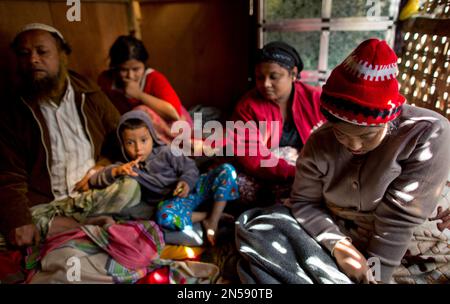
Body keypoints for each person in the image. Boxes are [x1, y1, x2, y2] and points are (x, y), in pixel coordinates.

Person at [236, 38, 450, 284]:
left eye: (368, 135)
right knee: (262, 225)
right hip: (337, 213)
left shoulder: (426, 133)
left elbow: (398, 220)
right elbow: (302, 199)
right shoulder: (318, 141)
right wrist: (338, 245)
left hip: (399, 231)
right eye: (341, 134)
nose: (353, 145)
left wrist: (376, 275)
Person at [0, 23, 141, 250]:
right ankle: (83, 226)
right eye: (24, 54)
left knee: (131, 187)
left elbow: (120, 140)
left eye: (42, 52)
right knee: (11, 228)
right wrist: (19, 220)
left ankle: (69, 227)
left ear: (62, 55)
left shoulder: (90, 95)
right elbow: (9, 175)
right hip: (44, 205)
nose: (33, 60)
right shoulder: (12, 111)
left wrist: (101, 167)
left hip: (91, 196)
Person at [89, 110, 240, 245]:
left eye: (143, 140)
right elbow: (95, 178)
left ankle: (213, 220)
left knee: (227, 170)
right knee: (163, 217)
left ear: (152, 137)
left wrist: (185, 182)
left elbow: (190, 168)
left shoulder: (167, 152)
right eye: (130, 143)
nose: (138, 148)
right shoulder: (126, 167)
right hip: (175, 204)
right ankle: (209, 216)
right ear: (122, 144)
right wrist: (116, 171)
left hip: (196, 188)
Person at [229, 41, 325, 205]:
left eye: (274, 76)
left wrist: (308, 171)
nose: (265, 84)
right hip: (266, 172)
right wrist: (294, 173)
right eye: (259, 77)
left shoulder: (316, 100)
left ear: (293, 74)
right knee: (236, 184)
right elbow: (253, 158)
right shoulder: (247, 107)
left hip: (309, 171)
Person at [98, 35, 193, 144]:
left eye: (136, 69)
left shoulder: (154, 78)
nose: (130, 75)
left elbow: (175, 114)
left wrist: (139, 94)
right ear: (115, 67)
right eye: (123, 70)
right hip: (135, 132)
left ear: (144, 65)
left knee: (141, 111)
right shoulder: (106, 81)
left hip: (171, 126)